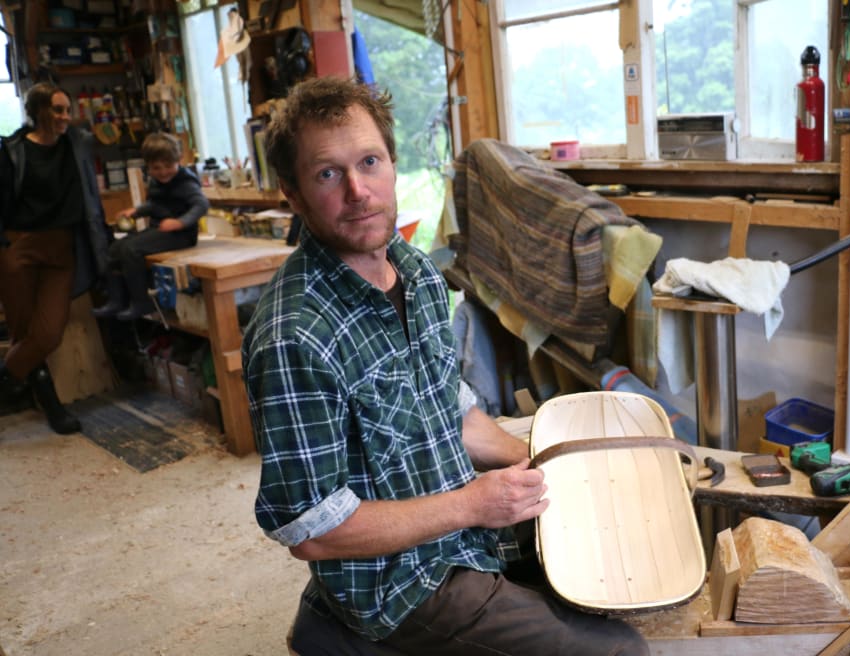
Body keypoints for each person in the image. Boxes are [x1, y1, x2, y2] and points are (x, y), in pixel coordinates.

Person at [242, 76, 649, 656]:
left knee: (613, 555)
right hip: (401, 584)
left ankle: (329, 631)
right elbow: (313, 531)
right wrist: (475, 503)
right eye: (328, 174)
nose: (359, 190)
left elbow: (450, 412)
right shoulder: (293, 336)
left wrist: (541, 458)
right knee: (620, 652)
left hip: (466, 531)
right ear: (293, 193)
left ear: (391, 162)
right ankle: (351, 631)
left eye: (370, 161)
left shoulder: (416, 272)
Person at [0, 82, 111, 434]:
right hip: (18, 247)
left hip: (61, 249)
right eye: (58, 110)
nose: (66, 117)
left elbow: (92, 192)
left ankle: (6, 384)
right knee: (23, 333)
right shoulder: (12, 151)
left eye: (67, 110)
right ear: (39, 112)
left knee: (48, 332)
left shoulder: (75, 145)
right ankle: (52, 406)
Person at [92, 132, 208, 320]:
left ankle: (142, 303)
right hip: (160, 230)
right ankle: (117, 300)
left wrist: (179, 222)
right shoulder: (157, 182)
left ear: (179, 159)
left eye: (168, 166)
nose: (163, 172)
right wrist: (136, 212)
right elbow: (155, 205)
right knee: (114, 248)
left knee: (131, 249)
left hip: (182, 235)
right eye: (156, 168)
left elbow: (201, 205)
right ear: (147, 166)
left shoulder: (185, 183)